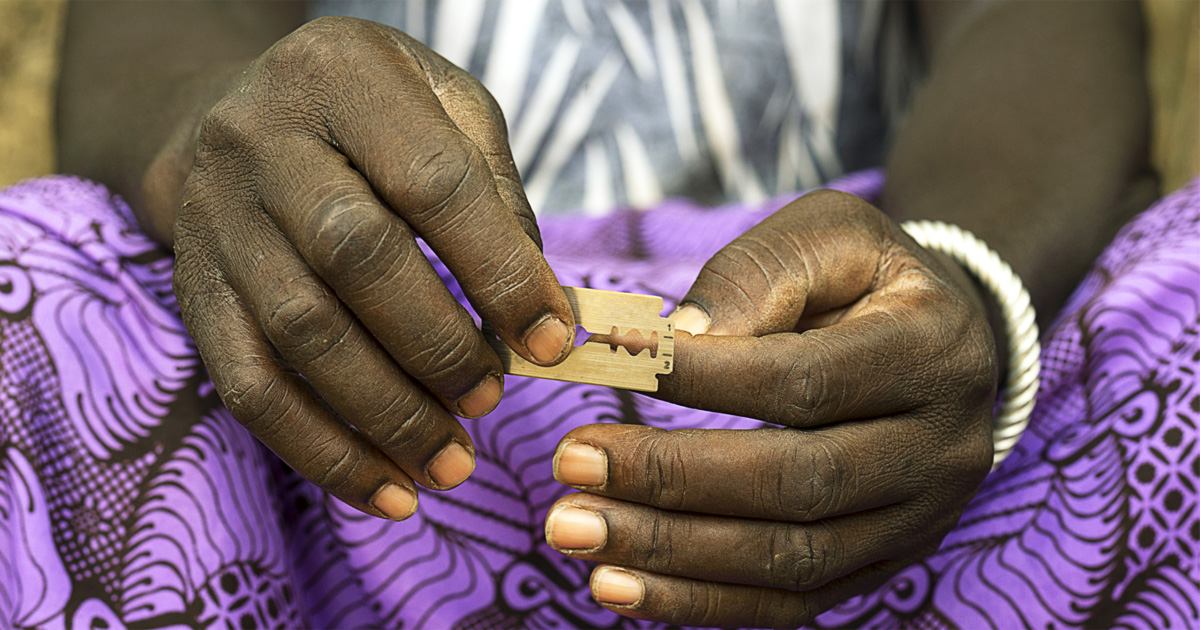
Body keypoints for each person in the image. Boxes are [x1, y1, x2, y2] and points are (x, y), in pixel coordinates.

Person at [0, 0, 1192, 628]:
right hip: (356, 390)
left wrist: (969, 288)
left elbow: (1034, 20)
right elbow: (154, 25)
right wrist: (229, 137)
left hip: (879, 387)